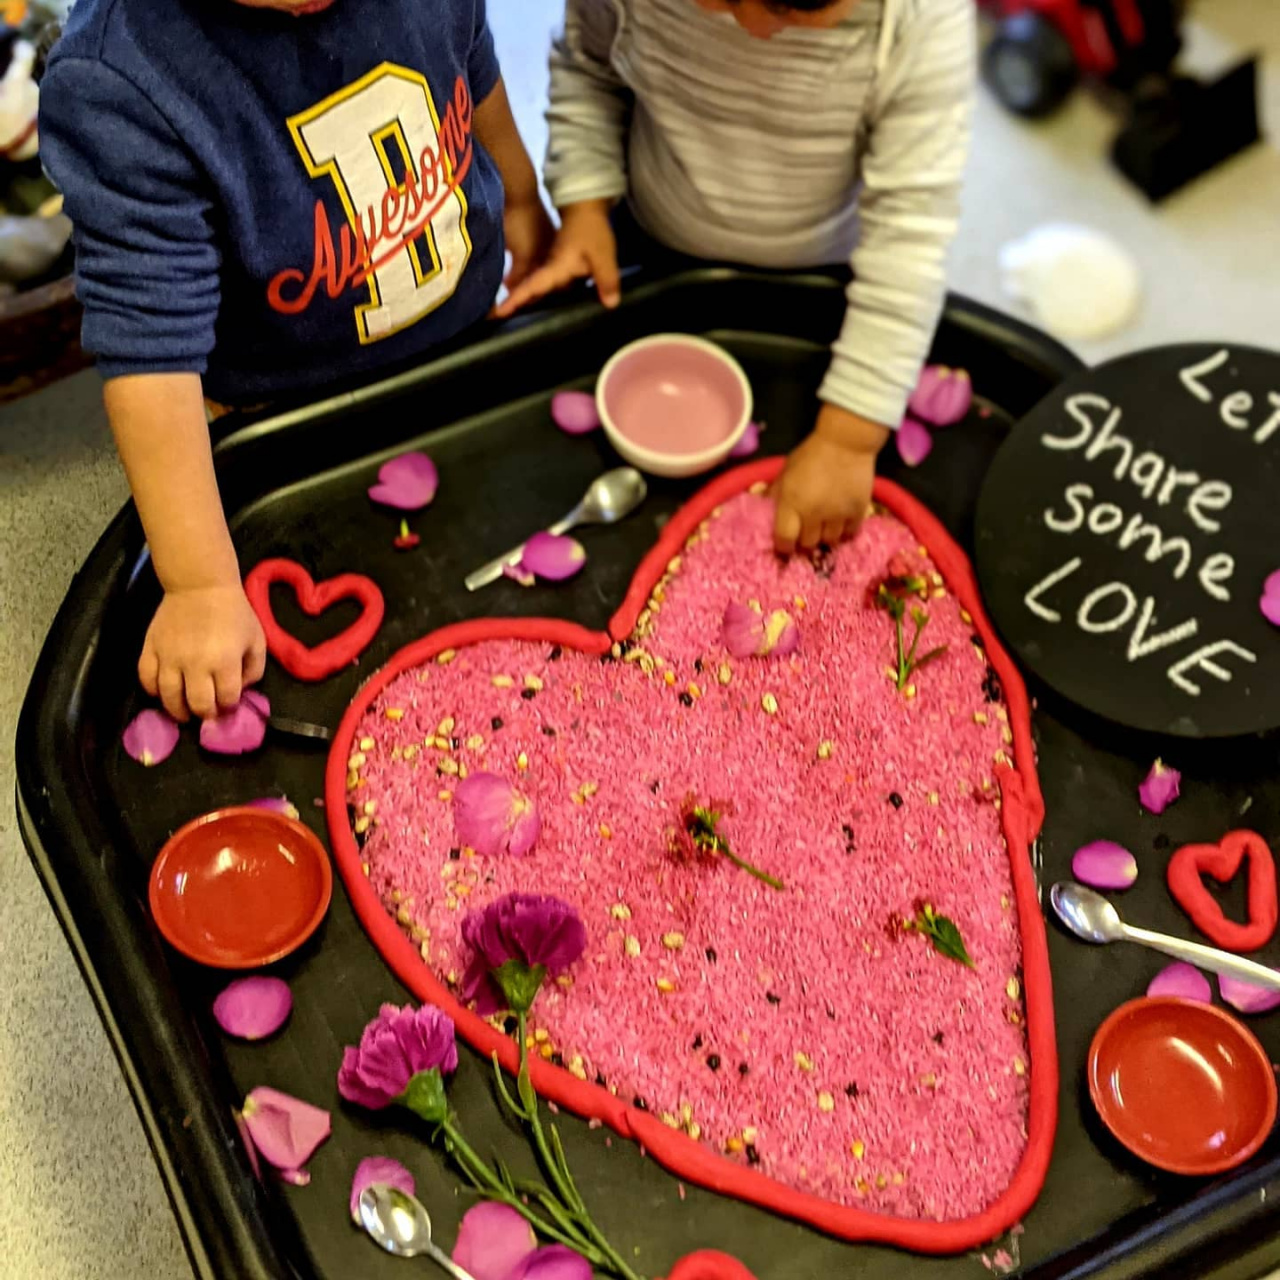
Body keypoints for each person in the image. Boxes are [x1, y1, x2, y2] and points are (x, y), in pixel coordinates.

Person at [39, 0, 550, 721]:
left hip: (463, 355)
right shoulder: (120, 81)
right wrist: (199, 586)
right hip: (282, 419)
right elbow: (148, 352)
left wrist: (523, 200)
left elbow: (473, 65)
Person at [501, 0, 974, 556]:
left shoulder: (920, 19)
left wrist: (849, 439)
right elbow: (590, 71)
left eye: (800, 9)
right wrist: (585, 205)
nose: (753, 27)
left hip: (819, 285)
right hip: (648, 250)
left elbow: (910, 233)